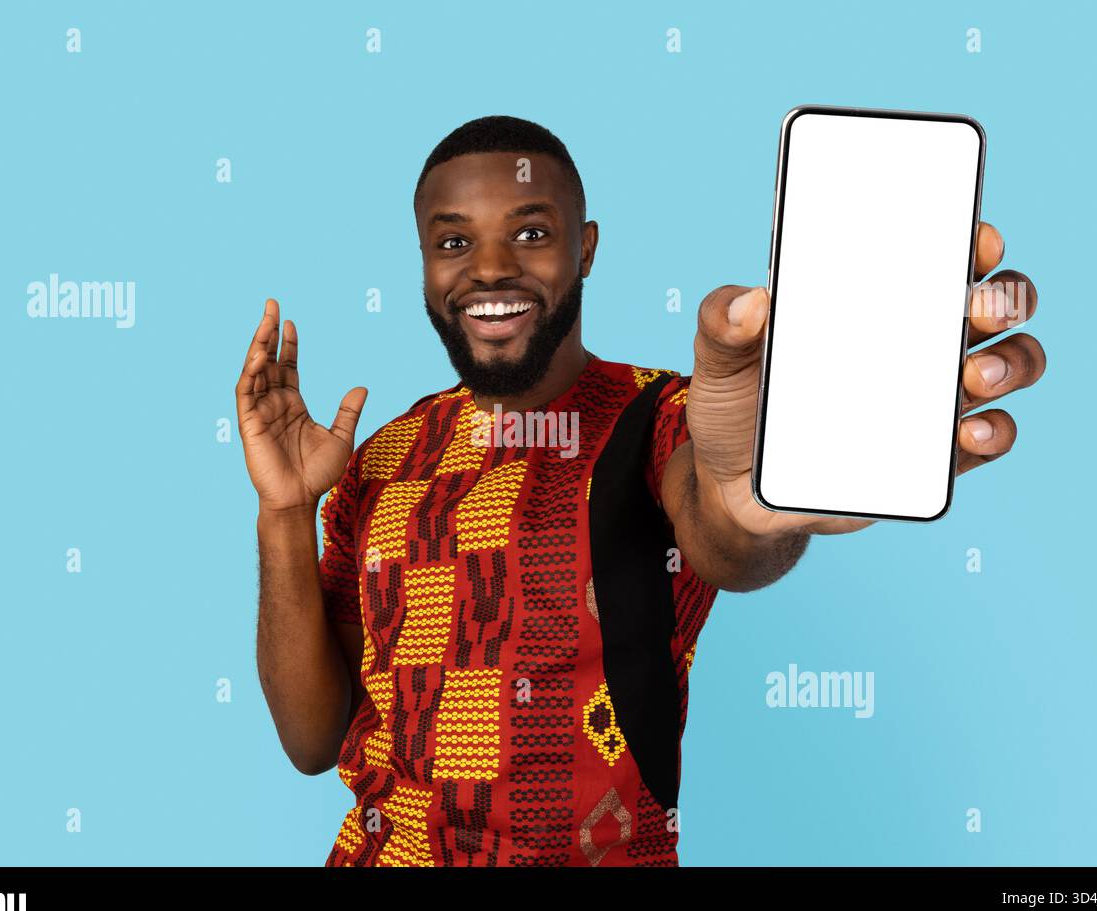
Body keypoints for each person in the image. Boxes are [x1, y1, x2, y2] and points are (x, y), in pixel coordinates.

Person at [235, 115, 1045, 866]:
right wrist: (284, 510)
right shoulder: (379, 459)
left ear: (584, 249)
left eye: (530, 232)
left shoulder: (662, 414)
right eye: (452, 241)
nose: (488, 268)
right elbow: (313, 742)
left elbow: (722, 533)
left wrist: (750, 504)